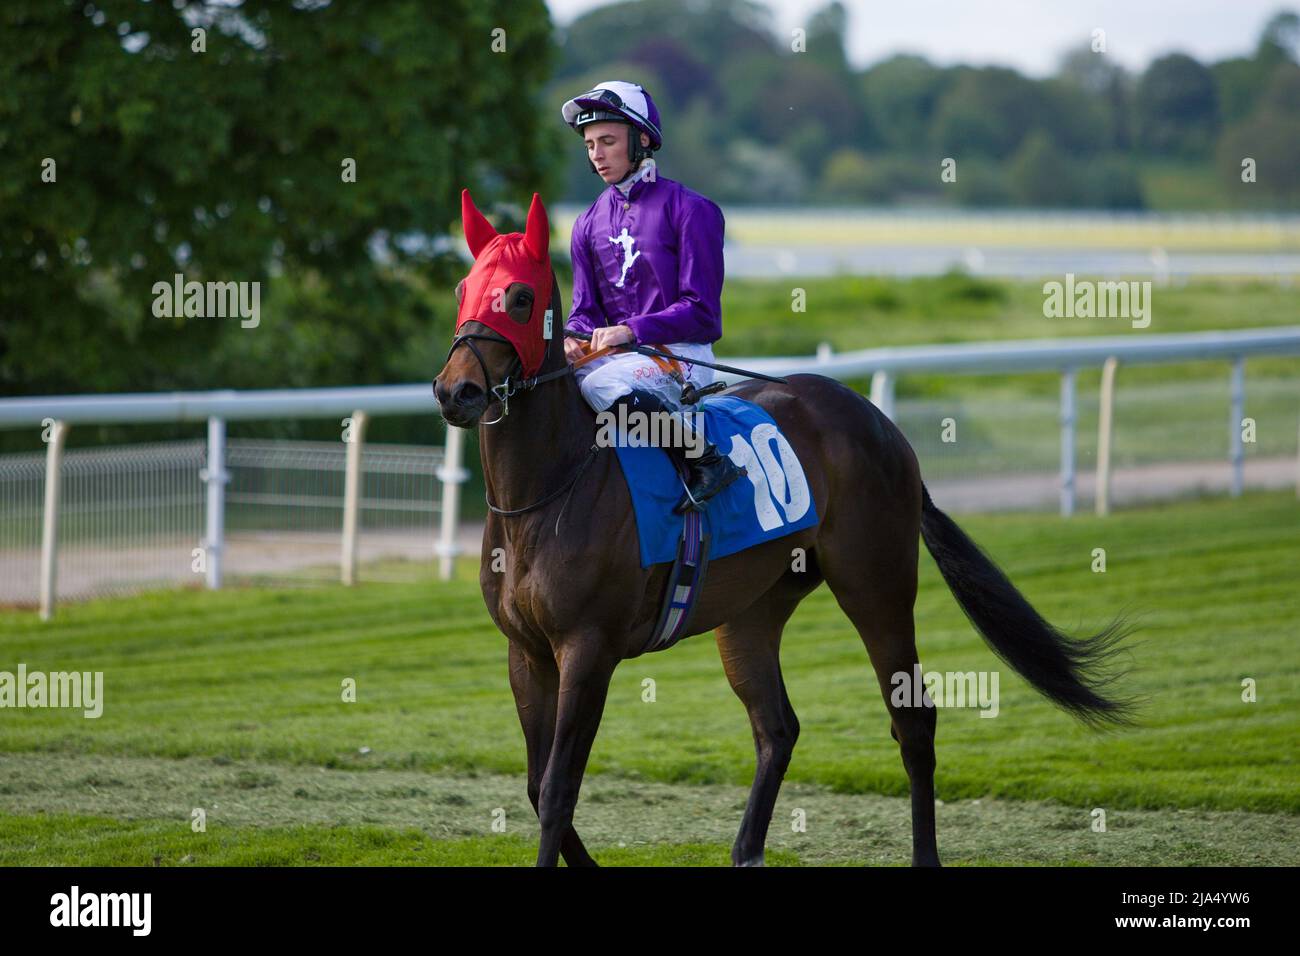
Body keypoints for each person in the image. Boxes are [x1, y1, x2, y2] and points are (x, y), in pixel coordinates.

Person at [559, 80, 743, 512]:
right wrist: (571, 337)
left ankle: (706, 461)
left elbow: (702, 313)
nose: (597, 154)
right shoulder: (587, 224)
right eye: (589, 145)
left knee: (602, 385)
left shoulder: (692, 210)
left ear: (642, 140)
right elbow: (585, 311)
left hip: (681, 356)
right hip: (620, 359)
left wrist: (630, 330)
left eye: (608, 141)